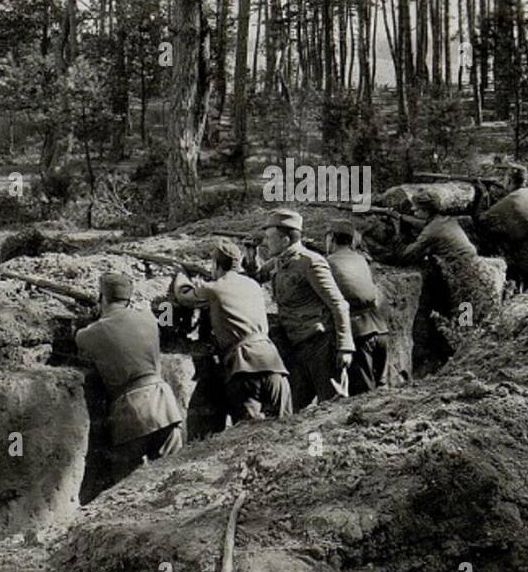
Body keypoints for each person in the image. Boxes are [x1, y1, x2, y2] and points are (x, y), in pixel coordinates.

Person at [75, 272, 184, 489]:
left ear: (102, 298)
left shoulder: (88, 334)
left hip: (131, 414)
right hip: (165, 406)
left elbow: (83, 346)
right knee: (174, 481)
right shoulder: (149, 319)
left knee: (125, 491)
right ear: (128, 299)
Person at [171, 240, 292, 429]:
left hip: (244, 369)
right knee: (284, 429)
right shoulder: (253, 285)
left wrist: (181, 275)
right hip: (274, 364)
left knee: (248, 435)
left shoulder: (214, 288)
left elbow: (183, 296)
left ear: (216, 265)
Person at [255, 208, 353, 410]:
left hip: (320, 345)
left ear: (286, 240)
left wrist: (344, 346)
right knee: (294, 409)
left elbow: (338, 304)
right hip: (296, 346)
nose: (266, 243)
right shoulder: (278, 262)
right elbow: (254, 277)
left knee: (333, 406)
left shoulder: (310, 262)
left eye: (270, 238)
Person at [324, 220, 389, 395]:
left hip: (359, 333)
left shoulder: (328, 262)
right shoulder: (361, 260)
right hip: (380, 328)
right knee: (382, 390)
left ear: (331, 238)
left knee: (363, 396)